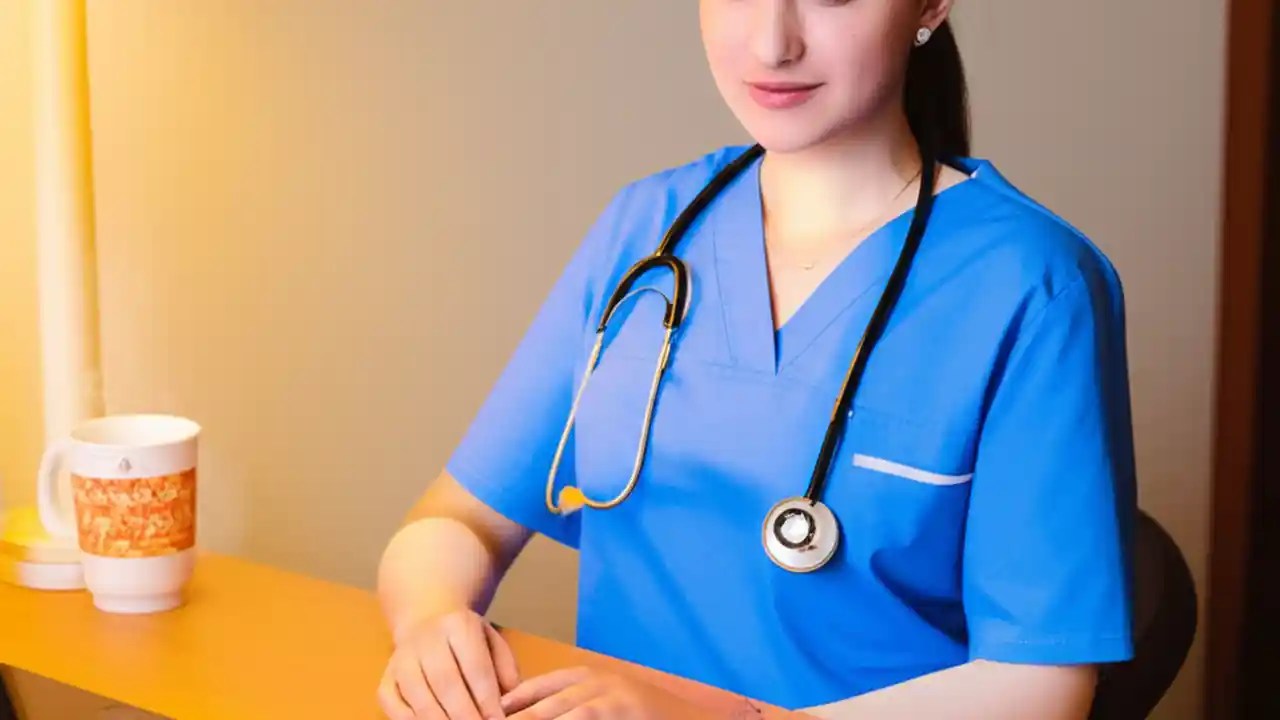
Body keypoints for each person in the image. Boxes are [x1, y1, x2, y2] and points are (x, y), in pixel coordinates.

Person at [376, 1, 1137, 718]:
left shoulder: (1032, 284)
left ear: (931, 5)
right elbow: (460, 516)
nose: (774, 43)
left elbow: (1042, 688)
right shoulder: (646, 228)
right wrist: (431, 620)